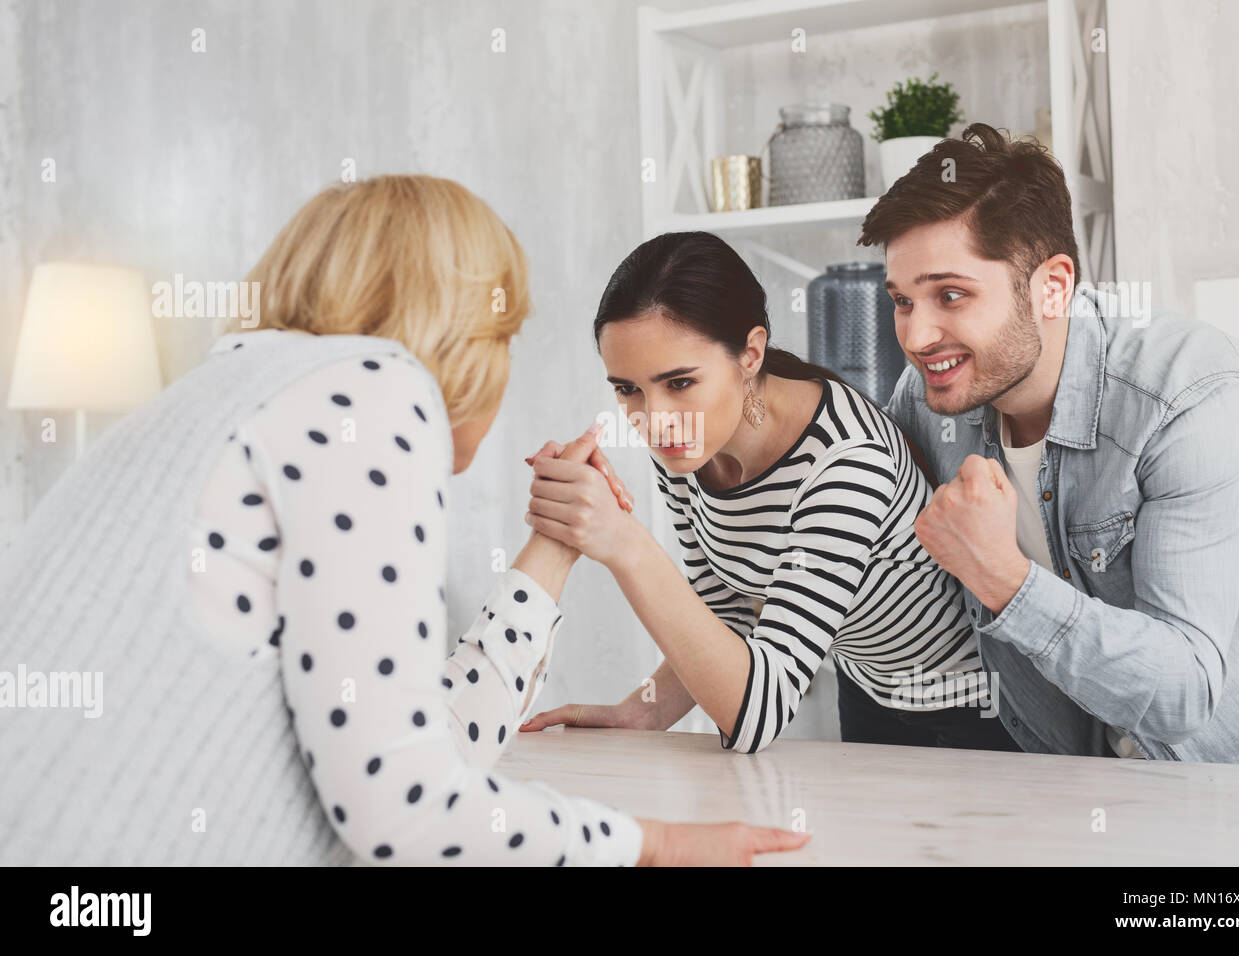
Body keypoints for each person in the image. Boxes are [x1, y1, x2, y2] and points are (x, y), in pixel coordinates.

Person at [0, 175, 810, 865]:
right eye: (505, 336)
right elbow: (404, 810)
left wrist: (554, 547)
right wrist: (652, 844)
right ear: (467, 334)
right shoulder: (369, 390)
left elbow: (428, 747)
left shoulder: (217, 399)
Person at [861, 122, 1239, 765]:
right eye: (902, 301)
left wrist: (1000, 576)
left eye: (950, 295)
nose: (918, 335)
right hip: (1078, 781)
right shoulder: (934, 396)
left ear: (1053, 285)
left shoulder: (1195, 400)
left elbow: (1183, 694)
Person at [520, 232, 1018, 754]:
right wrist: (639, 712)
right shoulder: (690, 445)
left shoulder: (844, 460)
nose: (654, 419)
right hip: (870, 692)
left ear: (751, 353)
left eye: (681, 382)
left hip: (973, 710)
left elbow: (758, 713)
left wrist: (624, 545)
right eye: (628, 389)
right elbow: (725, 615)